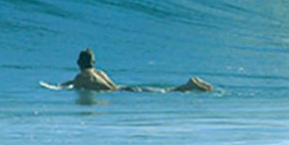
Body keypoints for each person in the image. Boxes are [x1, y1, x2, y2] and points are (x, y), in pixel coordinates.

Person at [57, 48, 213, 93]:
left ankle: (189, 85)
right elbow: (94, 82)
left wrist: (61, 87)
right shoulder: (99, 72)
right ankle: (190, 85)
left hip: (123, 91)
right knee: (163, 90)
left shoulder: (81, 76)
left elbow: (78, 86)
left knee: (165, 91)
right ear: (94, 62)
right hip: (123, 88)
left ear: (78, 62)